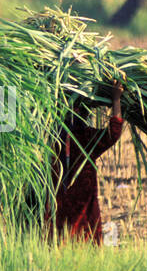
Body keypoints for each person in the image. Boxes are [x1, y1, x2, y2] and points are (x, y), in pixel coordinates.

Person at [48, 81, 124, 244]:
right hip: (81, 215)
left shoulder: (49, 138)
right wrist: (116, 99)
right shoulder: (86, 138)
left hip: (59, 214)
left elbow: (114, 131)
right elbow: (114, 131)